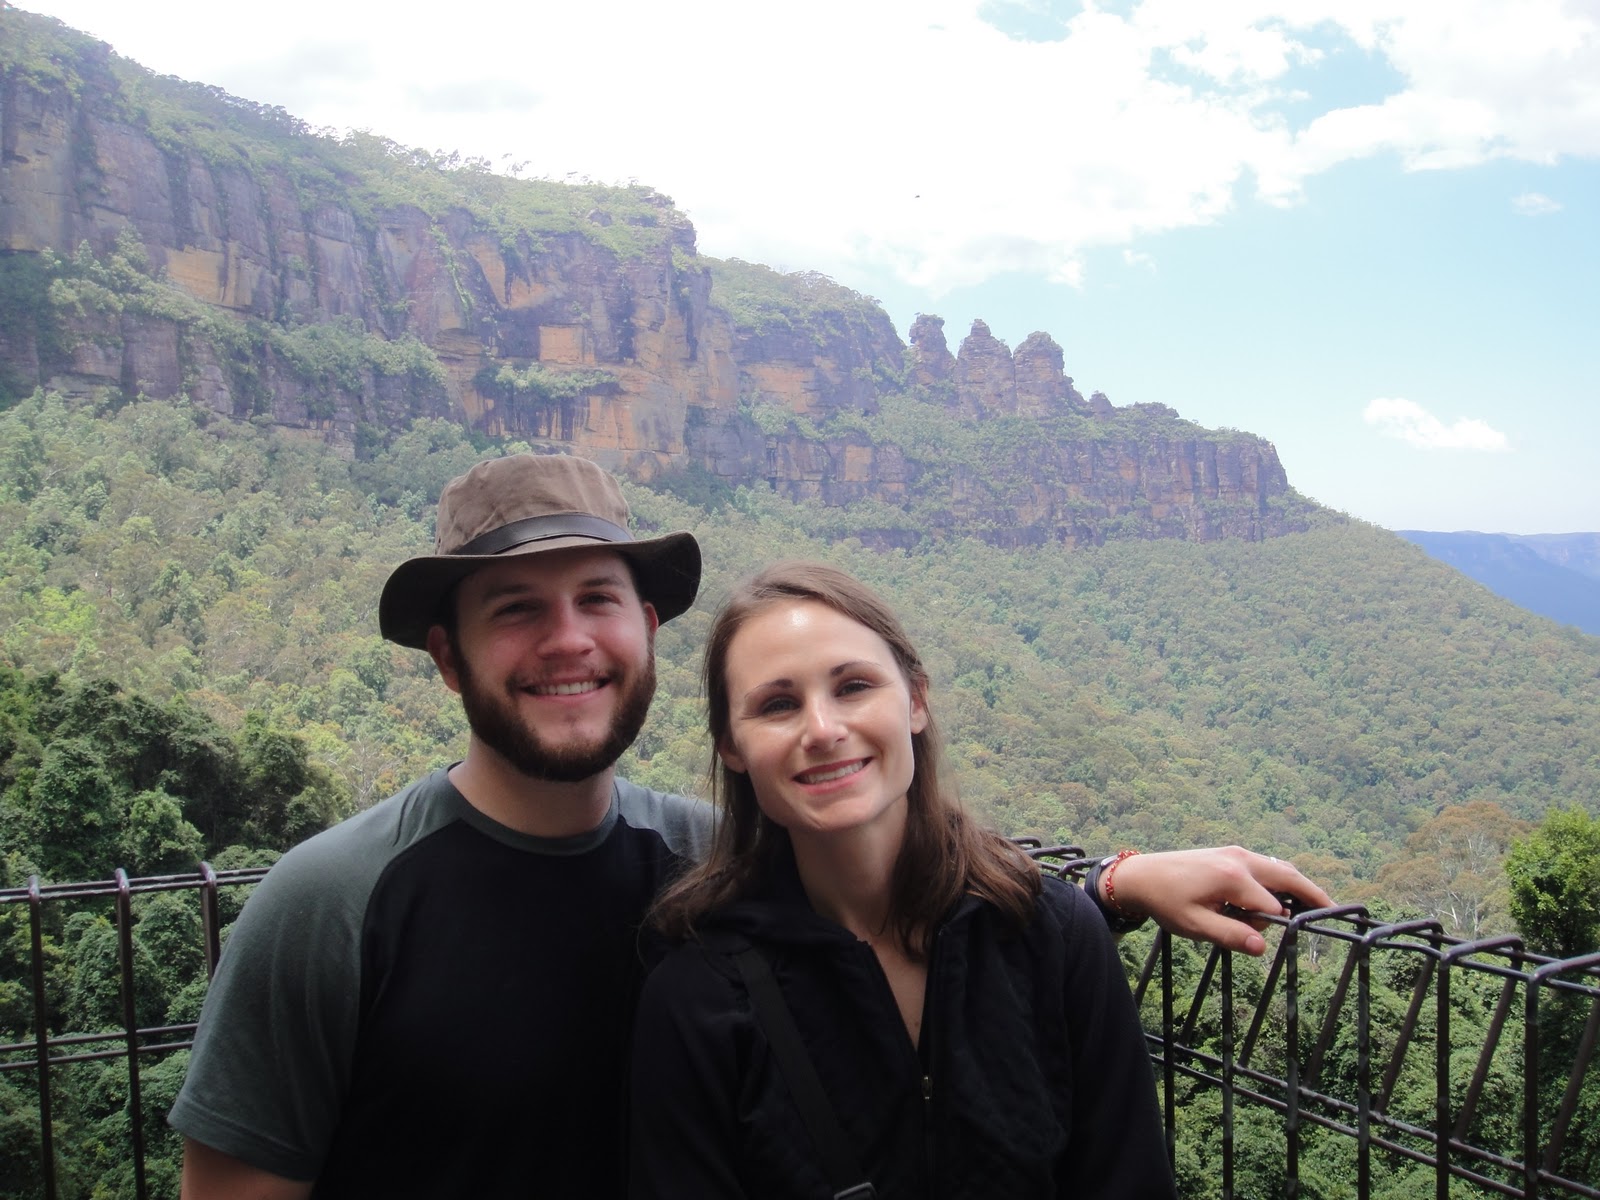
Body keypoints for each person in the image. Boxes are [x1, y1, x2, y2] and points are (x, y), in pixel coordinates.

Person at [167, 452, 1330, 1198]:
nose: (566, 640)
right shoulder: (336, 902)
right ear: (445, 655)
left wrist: (1114, 884)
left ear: (647, 632)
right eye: (514, 610)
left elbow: (900, 881)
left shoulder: (701, 864)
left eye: (597, 600)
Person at [629, 562, 1179, 1198]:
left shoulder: (1050, 939)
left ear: (915, 700)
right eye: (778, 705)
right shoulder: (699, 1001)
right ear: (732, 746)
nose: (824, 730)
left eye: (854, 686)